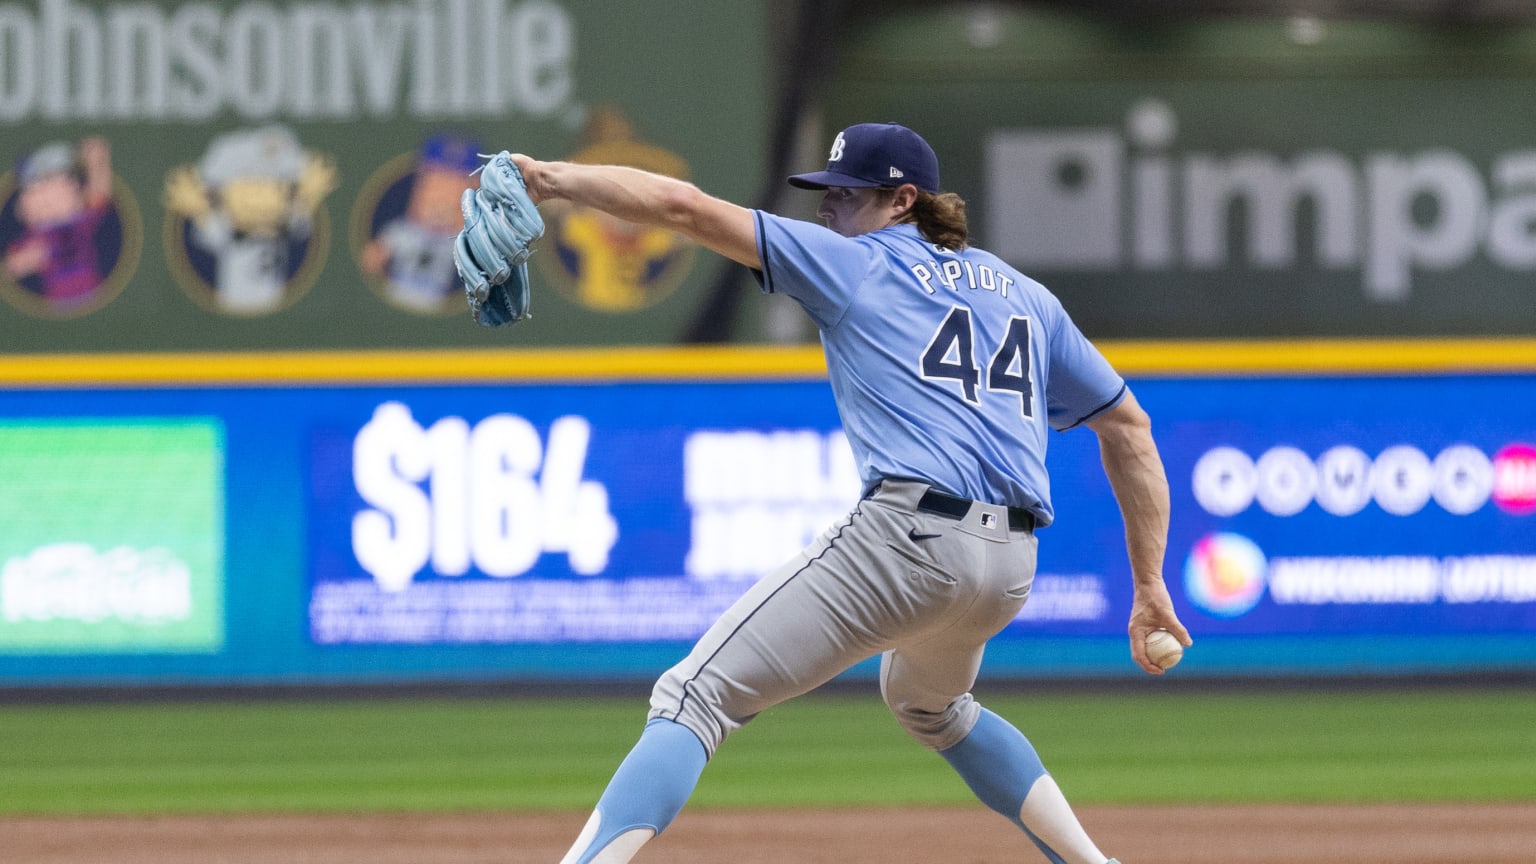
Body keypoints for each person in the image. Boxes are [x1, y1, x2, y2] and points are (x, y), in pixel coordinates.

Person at [508, 122, 1192, 864]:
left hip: (911, 540)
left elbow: (684, 208)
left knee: (692, 698)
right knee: (933, 707)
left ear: (903, 200)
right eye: (825, 193)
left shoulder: (856, 264)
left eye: (846, 194)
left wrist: (550, 179)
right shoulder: (1027, 298)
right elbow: (1128, 425)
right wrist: (1150, 584)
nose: (828, 208)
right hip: (1010, 566)